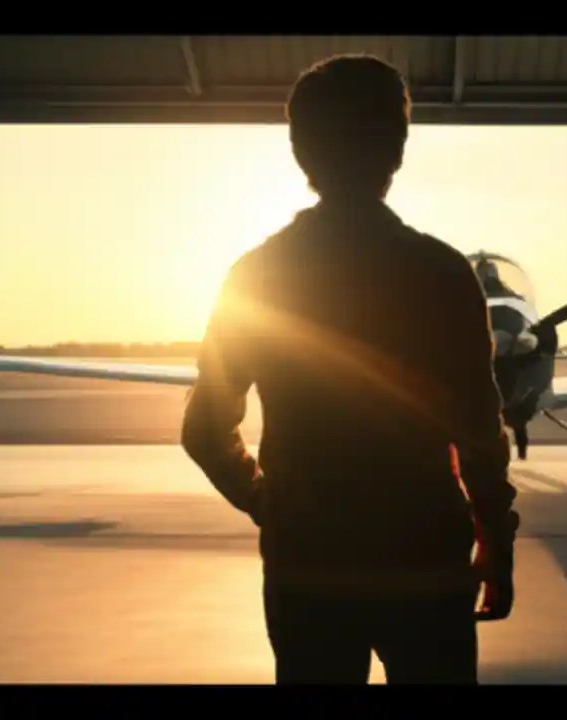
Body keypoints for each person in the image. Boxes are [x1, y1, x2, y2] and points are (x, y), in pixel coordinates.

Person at [181, 54, 518, 685]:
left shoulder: (254, 276)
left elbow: (204, 429)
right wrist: (495, 540)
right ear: (397, 149)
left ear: (299, 151)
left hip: (307, 570)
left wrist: (267, 501)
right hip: (426, 566)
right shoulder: (443, 275)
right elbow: (479, 432)